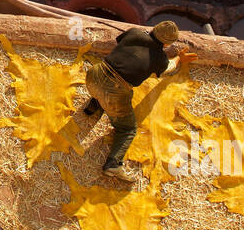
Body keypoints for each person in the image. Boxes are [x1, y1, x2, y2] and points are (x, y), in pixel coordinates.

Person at [82, 22, 197, 182]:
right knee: (128, 128)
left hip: (94, 75)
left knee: (102, 88)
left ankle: (93, 106)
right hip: (114, 92)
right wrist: (179, 58)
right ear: (167, 43)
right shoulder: (159, 58)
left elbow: (122, 46)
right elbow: (168, 68)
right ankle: (113, 165)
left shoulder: (134, 32)